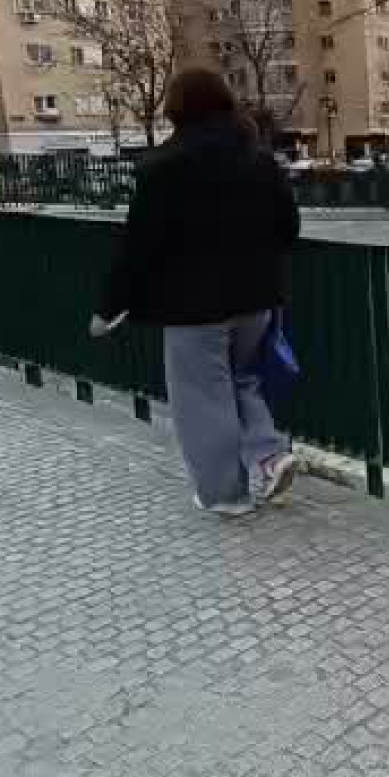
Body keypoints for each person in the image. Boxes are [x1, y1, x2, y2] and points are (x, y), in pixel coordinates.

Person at [90, 68, 302, 516]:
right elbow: (288, 227)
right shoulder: (259, 159)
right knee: (242, 380)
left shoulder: (163, 168)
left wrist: (109, 308)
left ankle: (226, 495)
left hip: (193, 307)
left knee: (202, 398)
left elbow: (138, 246)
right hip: (257, 298)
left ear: (176, 109)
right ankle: (270, 455)